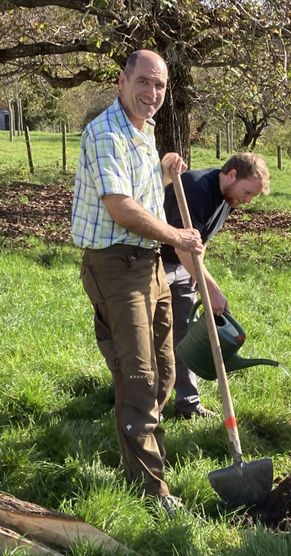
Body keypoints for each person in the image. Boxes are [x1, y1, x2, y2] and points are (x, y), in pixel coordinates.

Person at [71, 49, 204, 515]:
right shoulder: (107, 133)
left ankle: (138, 432)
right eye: (144, 82)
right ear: (122, 82)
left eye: (160, 86)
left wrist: (164, 175)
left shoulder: (141, 134)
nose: (152, 94)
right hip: (114, 264)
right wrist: (177, 236)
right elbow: (122, 208)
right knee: (140, 374)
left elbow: (142, 196)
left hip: (147, 264)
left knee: (165, 366)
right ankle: (151, 488)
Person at [161, 153, 270, 419]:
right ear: (232, 174)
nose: (247, 200)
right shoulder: (194, 187)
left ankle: (188, 404)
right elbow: (182, 243)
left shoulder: (227, 198)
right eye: (247, 192)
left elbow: (201, 238)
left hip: (183, 268)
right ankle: (151, 408)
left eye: (252, 196)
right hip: (156, 264)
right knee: (157, 337)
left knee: (186, 335)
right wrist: (211, 287)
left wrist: (199, 273)